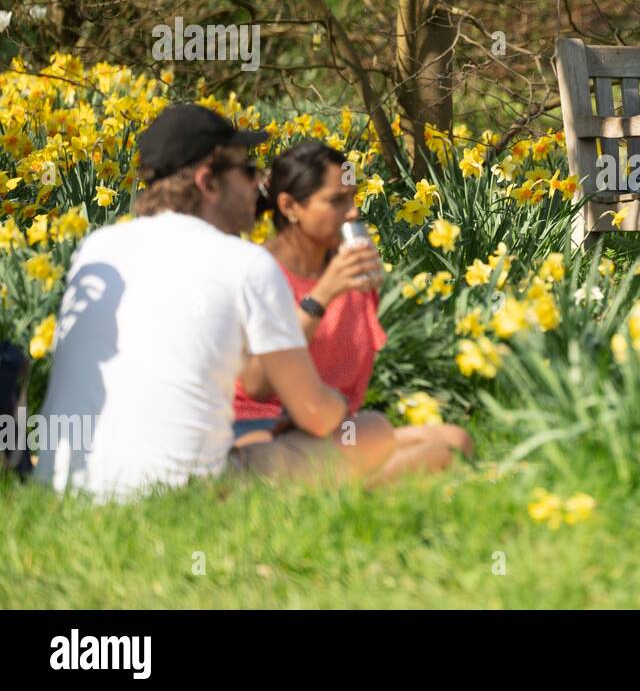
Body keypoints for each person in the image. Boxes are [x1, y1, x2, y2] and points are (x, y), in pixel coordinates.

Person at [32, 104, 465, 501]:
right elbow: (315, 416)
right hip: (184, 491)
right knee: (370, 430)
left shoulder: (97, 248)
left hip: (64, 481)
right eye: (247, 169)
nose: (257, 183)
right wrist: (332, 404)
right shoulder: (244, 263)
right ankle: (357, 487)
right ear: (208, 182)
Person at [230, 140, 470, 475]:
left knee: (452, 438)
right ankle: (360, 480)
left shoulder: (348, 269)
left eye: (353, 196)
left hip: (332, 431)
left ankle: (349, 478)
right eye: (336, 200)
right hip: (258, 430)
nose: (354, 211)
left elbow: (347, 386)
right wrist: (322, 295)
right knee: (405, 443)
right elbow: (258, 384)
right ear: (290, 206)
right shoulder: (258, 270)